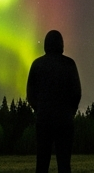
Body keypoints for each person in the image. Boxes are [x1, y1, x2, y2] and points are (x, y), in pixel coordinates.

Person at [26, 29, 81, 173]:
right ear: (61, 44)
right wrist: (71, 112)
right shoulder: (69, 64)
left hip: (43, 120)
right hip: (65, 121)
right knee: (64, 164)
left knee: (42, 163)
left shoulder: (37, 64)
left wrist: (38, 110)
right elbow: (76, 92)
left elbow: (30, 93)